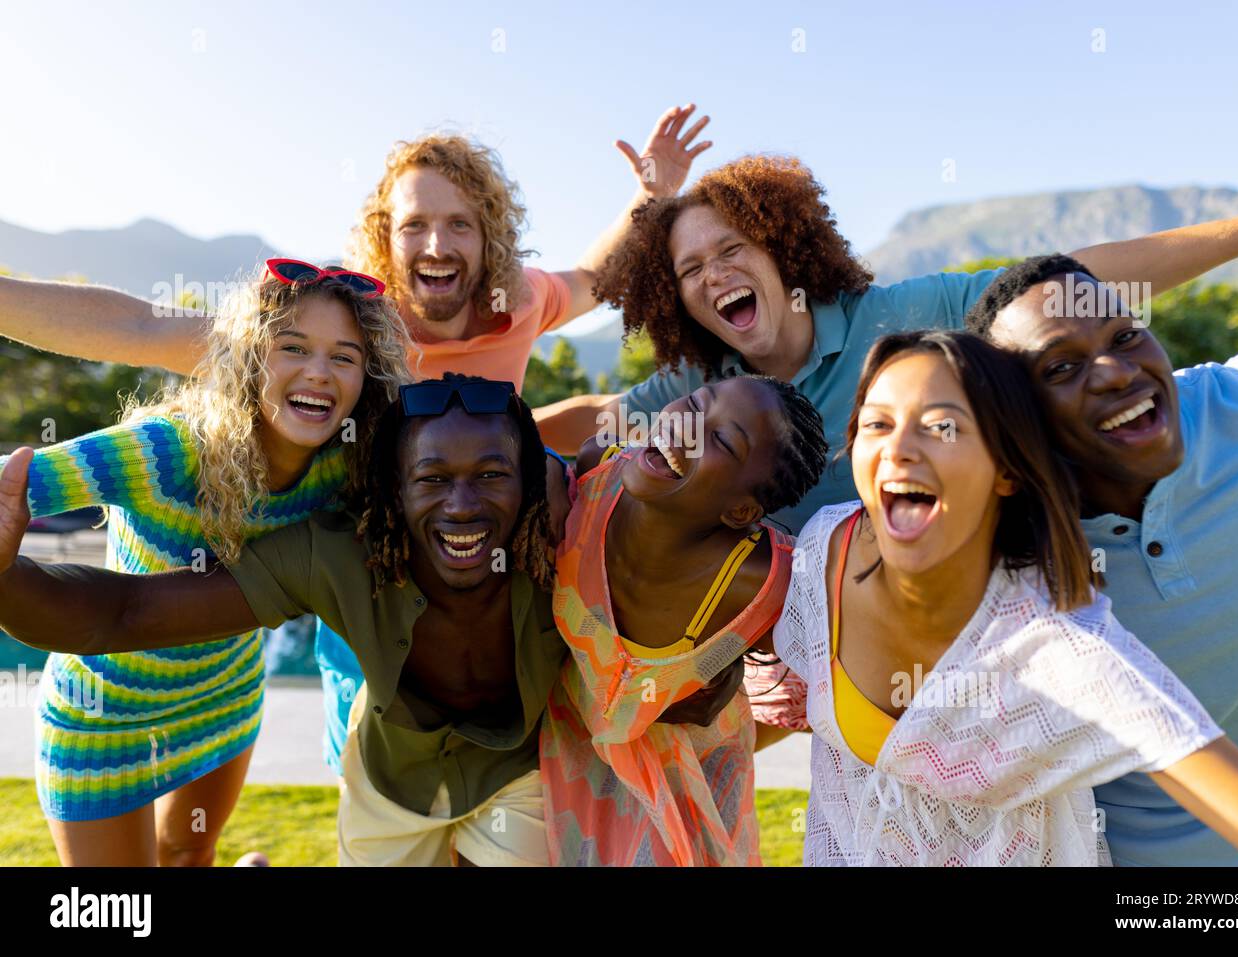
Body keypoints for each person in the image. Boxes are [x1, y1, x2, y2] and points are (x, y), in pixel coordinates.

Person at [0, 105, 716, 777]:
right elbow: (144, 329)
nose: (437, 244)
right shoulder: (347, 330)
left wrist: (649, 195)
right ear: (384, 235)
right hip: (374, 583)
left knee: (504, 779)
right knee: (376, 774)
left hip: (484, 575)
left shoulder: (517, 300)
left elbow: (594, 276)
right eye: (415, 225)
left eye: (460, 224)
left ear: (488, 235)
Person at [536, 155, 1238, 532]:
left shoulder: (900, 316)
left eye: (733, 249)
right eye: (691, 269)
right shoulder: (698, 391)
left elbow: (1067, 284)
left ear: (782, 251)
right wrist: (457, 424)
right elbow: (591, 417)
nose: (716, 275)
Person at [777, 329, 1238, 866]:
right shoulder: (825, 550)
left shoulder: (1062, 648)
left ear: (1006, 470)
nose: (899, 449)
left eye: (943, 427)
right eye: (878, 424)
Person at [0, 260, 410, 865]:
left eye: (344, 357)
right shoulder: (167, 450)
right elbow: (19, 486)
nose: (318, 373)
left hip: (225, 698)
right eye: (291, 347)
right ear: (246, 356)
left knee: (191, 854)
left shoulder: (349, 464)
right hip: (102, 715)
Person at [965, 254, 1238, 866]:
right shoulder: (996, 545)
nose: (1118, 372)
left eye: (1125, 336)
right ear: (1015, 419)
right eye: (1061, 366)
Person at [541, 375, 826, 865]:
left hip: (695, 801)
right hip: (572, 774)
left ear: (741, 510)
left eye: (720, 440)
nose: (688, 428)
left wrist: (714, 668)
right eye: (696, 402)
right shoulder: (590, 477)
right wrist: (543, 463)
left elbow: (835, 680)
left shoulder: (763, 581)